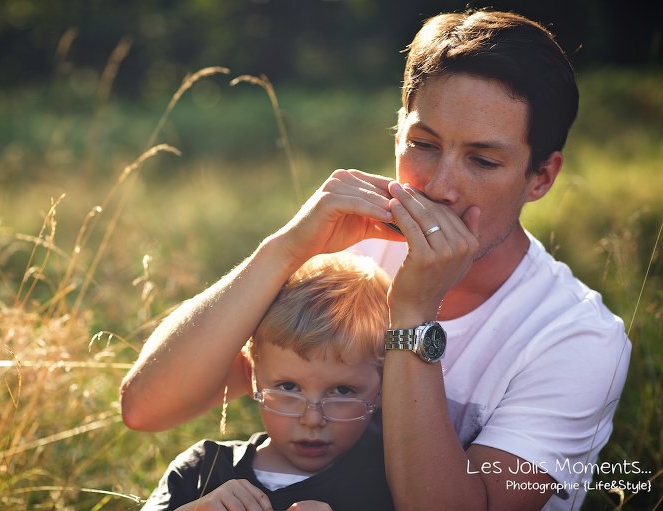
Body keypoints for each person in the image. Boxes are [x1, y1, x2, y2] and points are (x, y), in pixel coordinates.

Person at [122, 8, 631, 511]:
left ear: (541, 177)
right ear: (398, 135)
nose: (440, 187)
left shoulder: (577, 338)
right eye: (423, 145)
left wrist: (413, 316)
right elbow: (147, 408)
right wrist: (285, 250)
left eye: (482, 160)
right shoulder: (348, 253)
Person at [143, 253, 394, 511]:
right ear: (252, 375)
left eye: (342, 391)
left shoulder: (390, 484)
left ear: (382, 389)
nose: (312, 419)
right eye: (288, 387)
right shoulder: (202, 469)